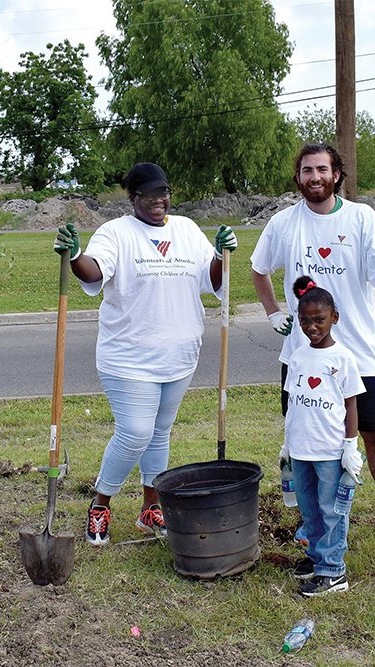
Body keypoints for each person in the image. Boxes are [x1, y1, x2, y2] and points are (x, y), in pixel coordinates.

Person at [53, 162, 237, 546]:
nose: (160, 201)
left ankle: (150, 507)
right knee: (135, 431)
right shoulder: (116, 233)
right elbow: (93, 273)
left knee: (159, 433)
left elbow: (213, 280)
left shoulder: (186, 230)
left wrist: (220, 255)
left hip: (180, 355)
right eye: (150, 195)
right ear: (133, 198)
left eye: (164, 193)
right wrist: (74, 256)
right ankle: (101, 503)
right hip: (128, 358)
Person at [250, 142, 375, 548]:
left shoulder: (362, 218)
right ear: (298, 177)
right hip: (300, 354)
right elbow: (259, 269)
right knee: (305, 437)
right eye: (307, 171)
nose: (315, 177)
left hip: (358, 353)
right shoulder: (283, 223)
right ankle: (311, 518)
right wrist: (274, 311)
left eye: (323, 169)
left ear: (337, 174)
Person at [280, 276, 365, 596]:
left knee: (332, 509)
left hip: (330, 451)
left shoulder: (342, 358)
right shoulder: (299, 357)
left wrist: (350, 447)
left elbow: (350, 404)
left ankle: (333, 571)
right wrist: (287, 444)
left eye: (319, 320)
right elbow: (293, 403)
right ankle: (317, 557)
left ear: (334, 318)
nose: (312, 327)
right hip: (301, 450)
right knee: (309, 507)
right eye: (305, 321)